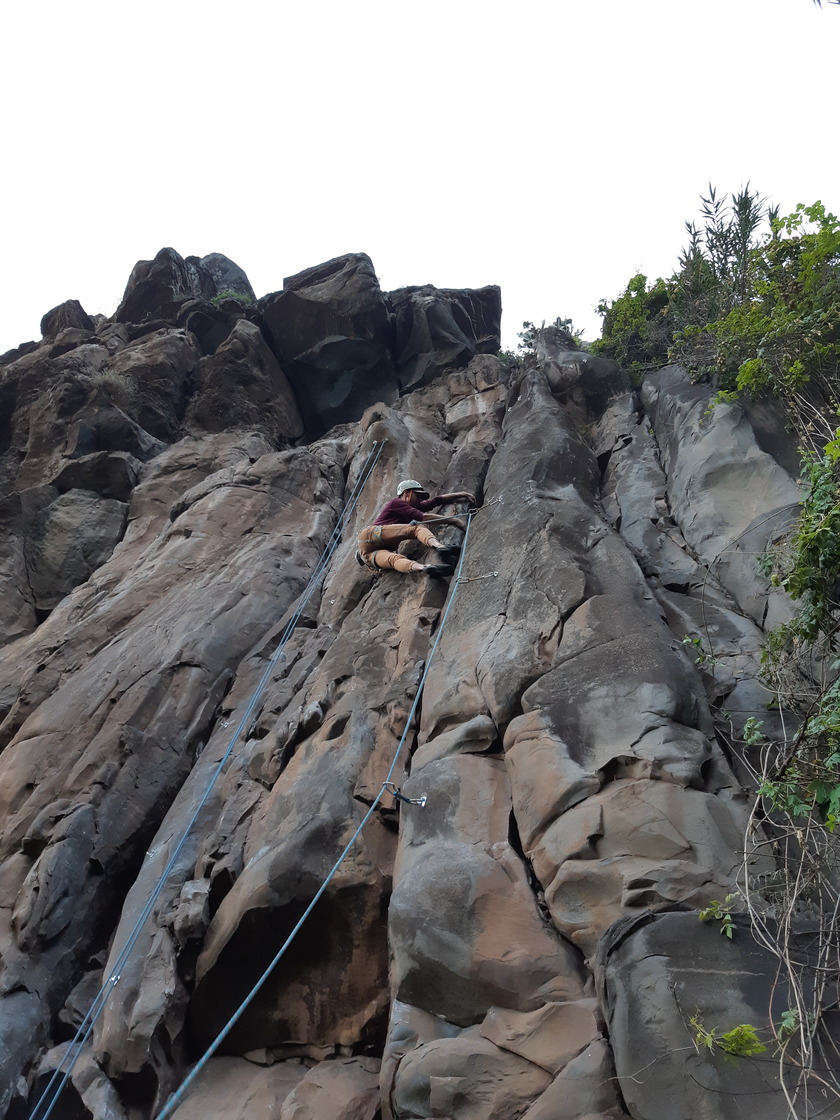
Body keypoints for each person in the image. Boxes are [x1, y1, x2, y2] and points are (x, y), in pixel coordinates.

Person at [356, 479, 476, 577]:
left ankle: (424, 567)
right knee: (416, 528)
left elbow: (434, 501)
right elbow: (423, 517)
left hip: (367, 555)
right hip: (371, 535)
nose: (419, 499)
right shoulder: (396, 502)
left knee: (395, 560)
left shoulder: (410, 506)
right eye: (417, 495)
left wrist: (460, 494)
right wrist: (453, 520)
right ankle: (439, 546)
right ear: (407, 493)